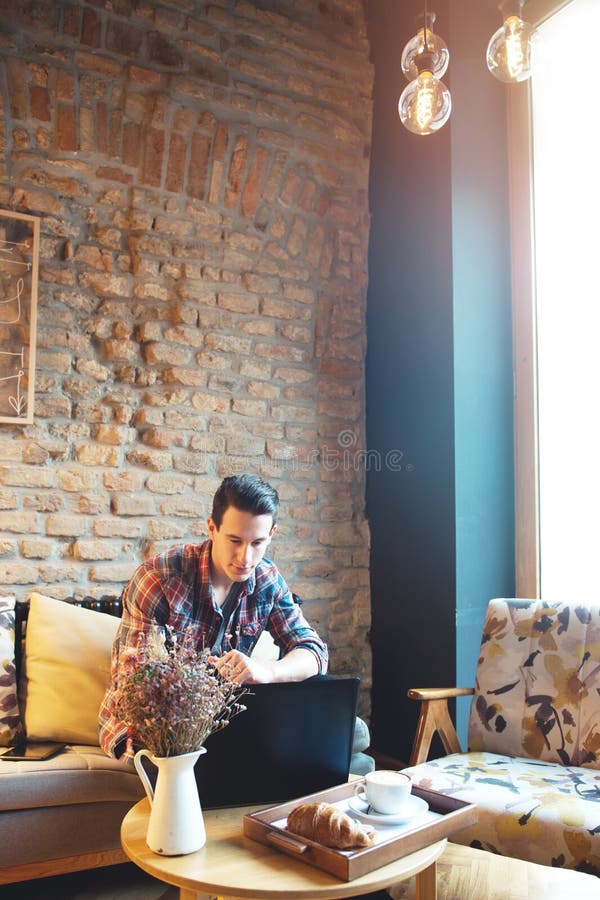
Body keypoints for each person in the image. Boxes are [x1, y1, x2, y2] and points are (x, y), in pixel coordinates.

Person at [99, 473, 328, 759]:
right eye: (235, 540)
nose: (245, 558)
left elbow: (314, 652)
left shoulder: (267, 580)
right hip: (150, 728)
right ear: (211, 528)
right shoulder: (159, 577)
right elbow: (132, 685)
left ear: (272, 534)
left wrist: (264, 672)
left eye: (257, 543)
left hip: (223, 723)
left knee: (327, 737)